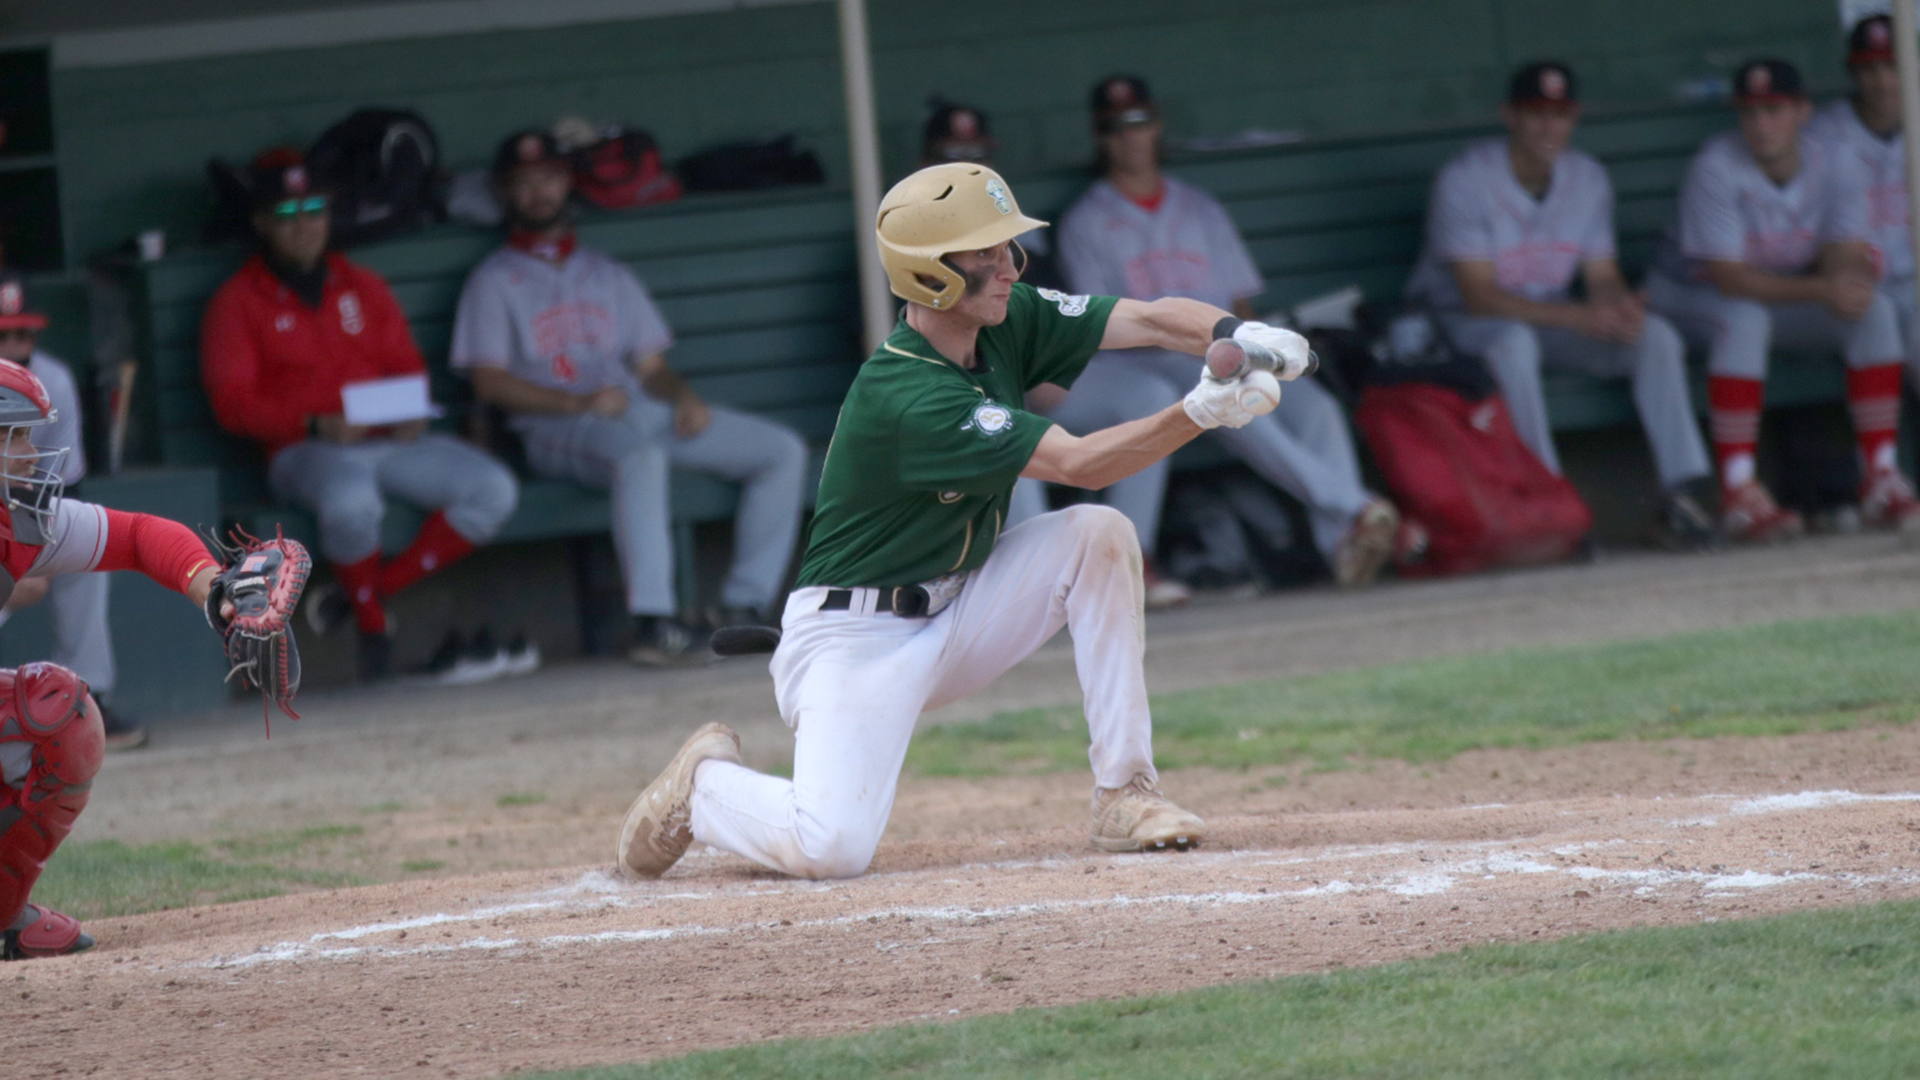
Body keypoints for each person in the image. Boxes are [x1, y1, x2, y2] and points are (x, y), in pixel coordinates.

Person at [613, 162, 1300, 881]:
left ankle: (1126, 793)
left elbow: (1150, 317)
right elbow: (1079, 464)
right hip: (856, 638)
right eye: (986, 254)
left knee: (1097, 534)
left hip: (960, 602)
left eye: (1007, 247)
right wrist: (1199, 413)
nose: (1009, 267)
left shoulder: (1000, 320)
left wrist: (1235, 330)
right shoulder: (908, 394)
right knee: (832, 850)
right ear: (930, 274)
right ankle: (704, 792)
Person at [451, 130, 808, 665]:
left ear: (567, 183)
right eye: (524, 183)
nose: (539, 193)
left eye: (548, 178)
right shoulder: (492, 280)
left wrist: (683, 396)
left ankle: (742, 609)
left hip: (635, 411)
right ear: (506, 192)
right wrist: (578, 405)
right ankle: (653, 623)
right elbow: (489, 382)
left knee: (780, 450)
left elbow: (651, 367)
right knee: (639, 456)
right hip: (552, 427)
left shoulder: (604, 272)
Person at [1056, 74, 1403, 590]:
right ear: (1099, 135)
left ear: (1156, 126)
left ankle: (1344, 548)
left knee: (1318, 410)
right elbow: (1098, 326)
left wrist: (1259, 351)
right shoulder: (1086, 221)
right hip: (1145, 361)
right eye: (1115, 127)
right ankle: (1354, 506)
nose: (1130, 137)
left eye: (1139, 123)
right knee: (1234, 391)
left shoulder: (1199, 208)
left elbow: (1241, 305)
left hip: (1226, 350)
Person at [200, 149, 526, 682]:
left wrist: (410, 412)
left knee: (493, 488)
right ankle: (374, 629)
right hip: (302, 450)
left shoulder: (362, 285)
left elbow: (407, 371)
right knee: (352, 500)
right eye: (287, 214)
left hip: (388, 441)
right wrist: (311, 423)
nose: (305, 225)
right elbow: (232, 404)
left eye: (315, 210)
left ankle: (362, 597)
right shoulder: (237, 301)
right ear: (261, 222)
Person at [0, 357, 258, 958]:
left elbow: (140, 535)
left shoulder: (17, 522)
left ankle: (3, 911)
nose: (32, 457)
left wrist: (214, 589)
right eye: (13, 439)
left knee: (60, 714)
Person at [1405, 62, 1717, 550]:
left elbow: (1601, 276)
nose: (1550, 127)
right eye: (1535, 114)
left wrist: (1619, 308)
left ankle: (1683, 494)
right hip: (1460, 325)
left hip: (1546, 318)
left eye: (1561, 114)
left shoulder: (1587, 178)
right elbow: (1479, 296)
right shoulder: (1465, 180)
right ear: (1510, 116)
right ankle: (1547, 498)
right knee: (1514, 344)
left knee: (1654, 337)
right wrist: (1578, 316)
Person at [1647, 59, 1920, 540]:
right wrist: (1824, 287)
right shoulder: (1717, 164)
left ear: (1802, 111)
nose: (1761, 125)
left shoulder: (1834, 160)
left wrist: (1850, 278)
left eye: (1774, 110)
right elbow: (1730, 279)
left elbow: (1847, 250)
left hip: (1776, 293)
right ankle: (1738, 490)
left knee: (1874, 311)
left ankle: (1880, 476)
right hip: (1686, 293)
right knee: (1744, 319)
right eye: (1750, 113)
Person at [0, 273, 146, 748]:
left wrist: (23, 560)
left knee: (84, 560)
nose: (16, 345)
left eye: (24, 333)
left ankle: (86, 700)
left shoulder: (53, 382)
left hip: (16, 513)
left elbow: (59, 488)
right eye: (3, 334)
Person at [1809, 15, 1920, 382]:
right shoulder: (1825, 134)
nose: (1883, 81)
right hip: (1860, 287)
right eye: (1869, 69)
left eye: (1892, 65)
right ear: (1852, 74)